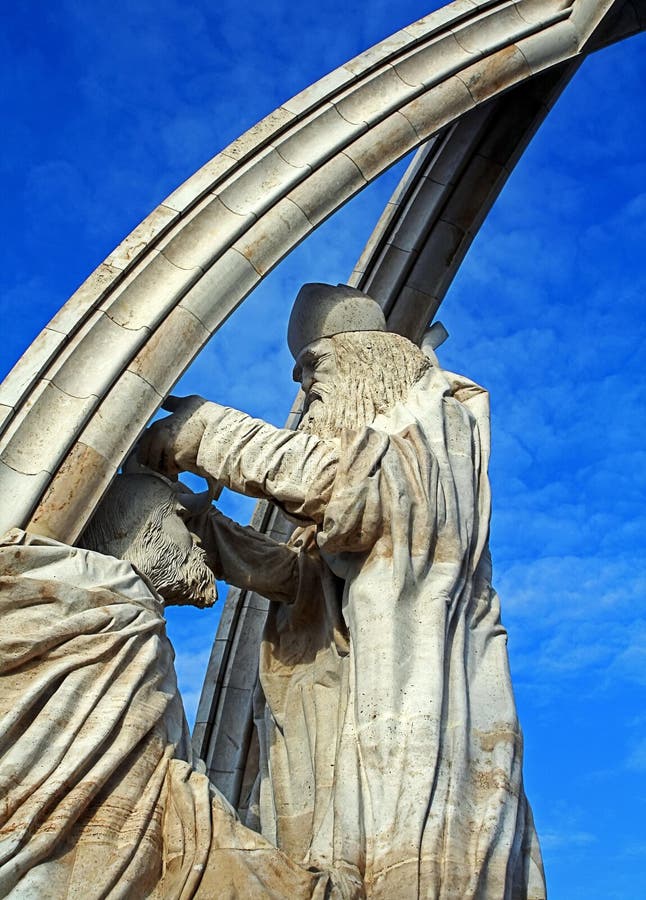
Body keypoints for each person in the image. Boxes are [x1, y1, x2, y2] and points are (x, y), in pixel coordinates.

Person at [138, 283, 546, 899]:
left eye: (315, 366)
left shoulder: (435, 423)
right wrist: (200, 528)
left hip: (417, 715)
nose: (305, 389)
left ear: (367, 358)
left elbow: (352, 490)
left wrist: (200, 434)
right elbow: (301, 579)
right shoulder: (373, 457)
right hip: (332, 727)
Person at [0, 472, 345, 899]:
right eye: (184, 522)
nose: (200, 543)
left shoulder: (100, 616)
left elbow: (160, 787)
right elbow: (142, 809)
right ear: (138, 528)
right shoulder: (117, 621)